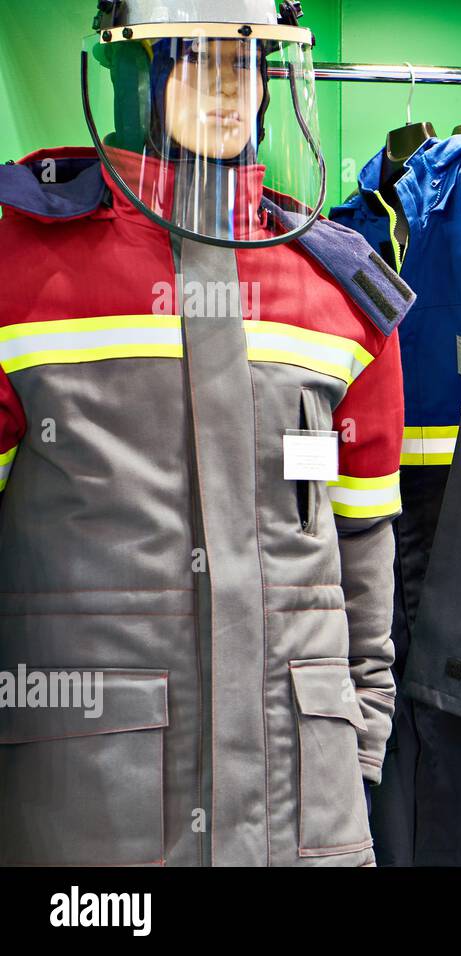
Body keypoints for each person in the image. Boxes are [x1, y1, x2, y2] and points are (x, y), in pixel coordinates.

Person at [0, 0, 412, 866]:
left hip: (306, 809)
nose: (234, 88)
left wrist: (360, 737)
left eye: (251, 61)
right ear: (128, 70)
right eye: (200, 59)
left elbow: (361, 543)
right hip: (89, 810)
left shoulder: (341, 297)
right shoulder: (23, 271)